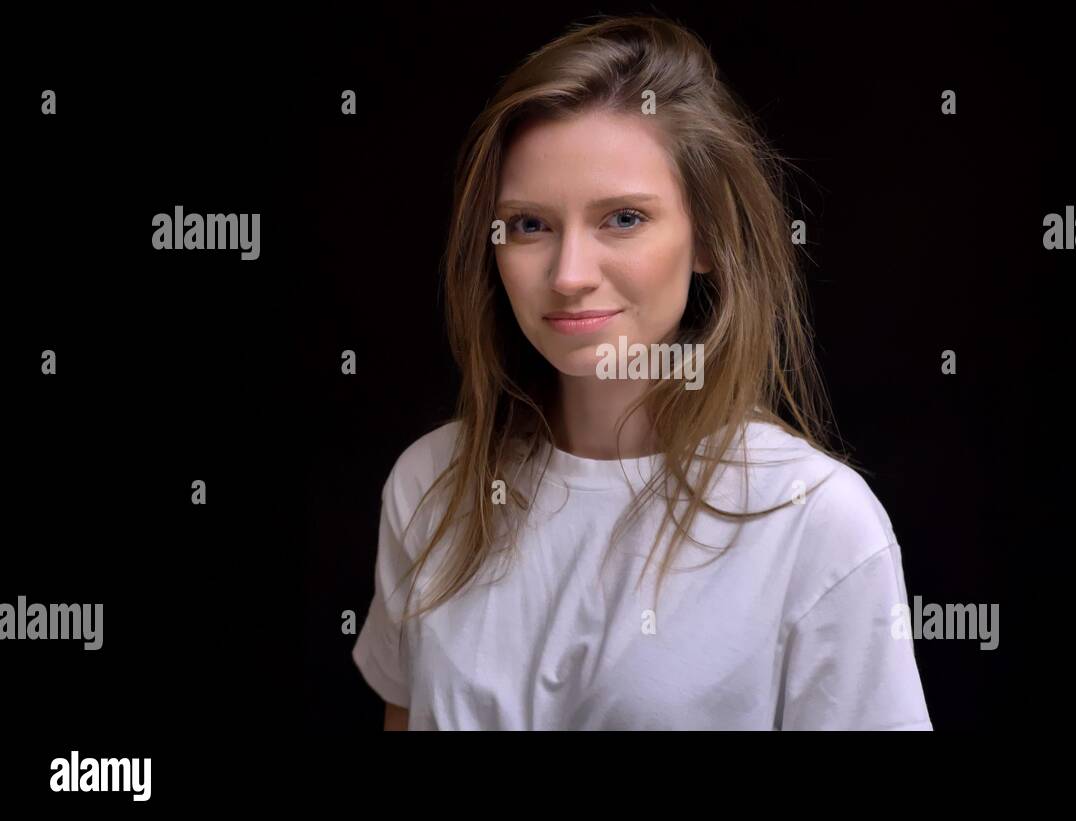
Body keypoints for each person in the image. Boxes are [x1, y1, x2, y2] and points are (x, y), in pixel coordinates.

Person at [352, 14, 932, 730]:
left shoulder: (815, 521)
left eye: (623, 218)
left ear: (709, 238)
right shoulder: (432, 483)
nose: (568, 275)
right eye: (530, 224)